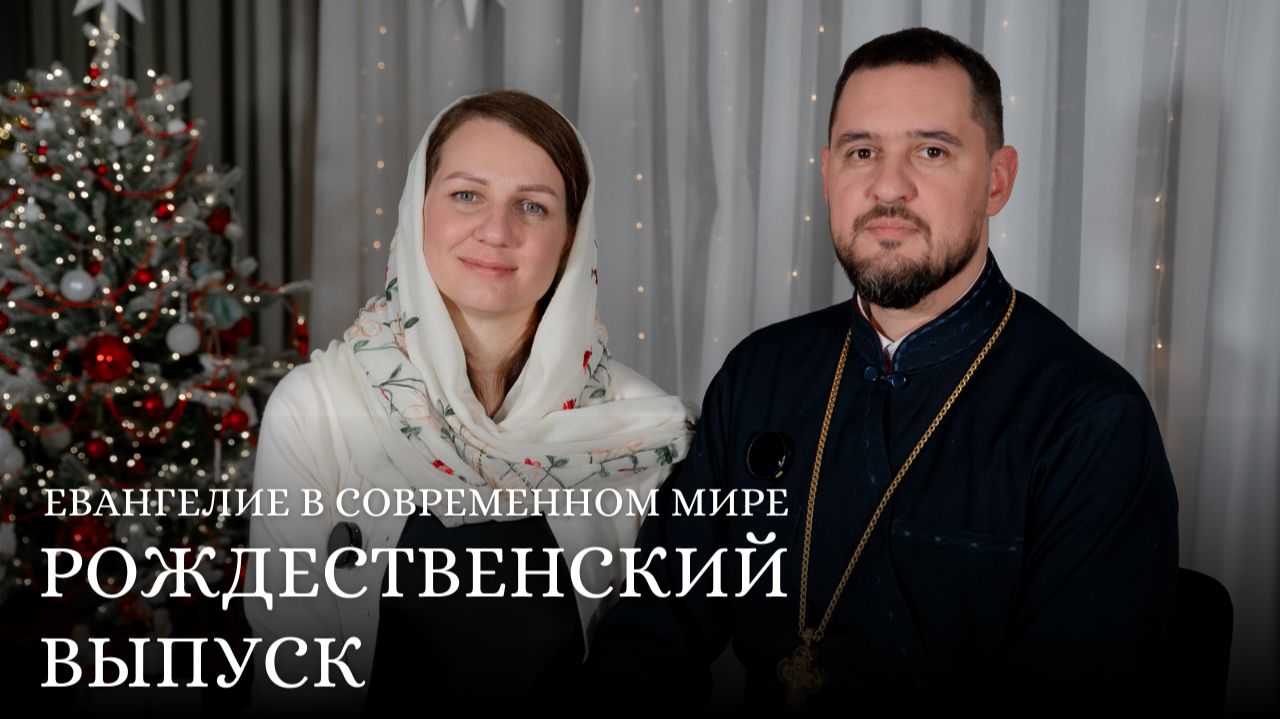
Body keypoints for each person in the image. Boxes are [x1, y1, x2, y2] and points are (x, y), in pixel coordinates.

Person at [582, 27, 1178, 711]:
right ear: (828, 173)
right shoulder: (759, 372)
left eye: (931, 151)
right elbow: (655, 625)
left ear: (996, 180)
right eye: (862, 152)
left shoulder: (1092, 419)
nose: (888, 187)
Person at [245, 91, 694, 711]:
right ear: (417, 209)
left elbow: (658, 668)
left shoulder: (642, 428)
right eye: (466, 195)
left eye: (533, 206)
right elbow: (294, 673)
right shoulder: (315, 409)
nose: (496, 231)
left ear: (571, 237)